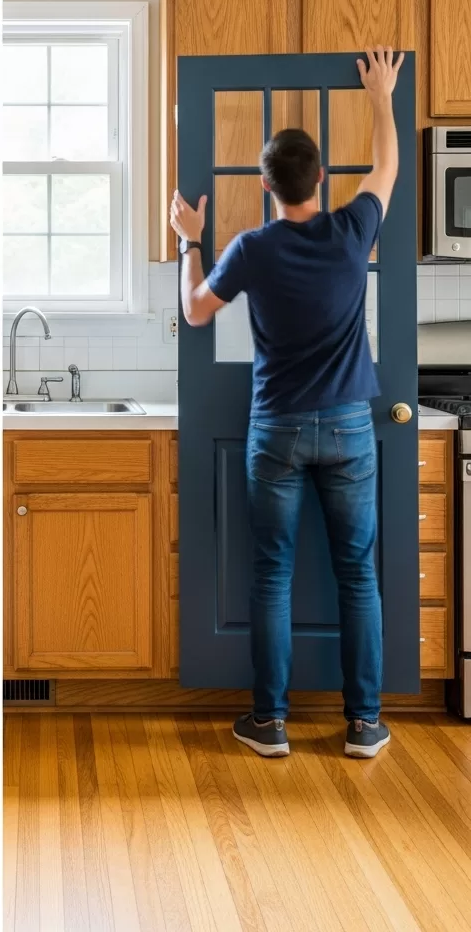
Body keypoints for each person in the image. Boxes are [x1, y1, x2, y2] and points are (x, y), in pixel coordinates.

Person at [170, 46, 403, 760]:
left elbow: (195, 314)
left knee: (271, 573)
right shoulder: (350, 230)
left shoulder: (249, 248)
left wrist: (189, 243)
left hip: (275, 430)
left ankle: (268, 723)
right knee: (356, 572)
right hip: (347, 428)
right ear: (321, 179)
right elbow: (387, 168)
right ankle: (363, 724)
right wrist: (381, 96)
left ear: (268, 186)